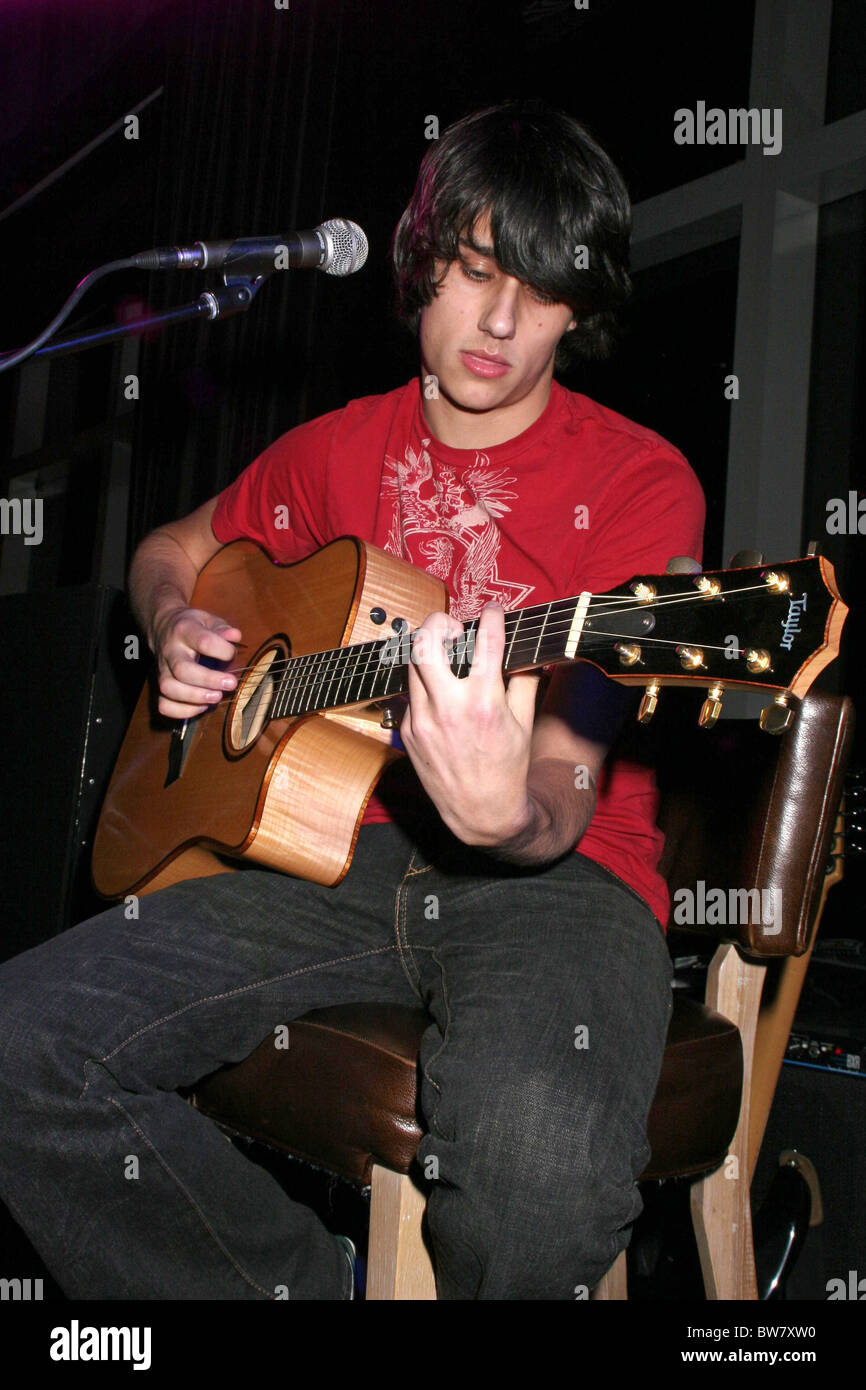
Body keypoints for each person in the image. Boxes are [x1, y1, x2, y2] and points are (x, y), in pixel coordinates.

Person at [0, 100, 704, 1300]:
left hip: (565, 885)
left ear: (576, 309)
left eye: (536, 290)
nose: (495, 321)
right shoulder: (332, 451)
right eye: (474, 270)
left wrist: (507, 817)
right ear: (418, 261)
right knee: (21, 1040)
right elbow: (172, 545)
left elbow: (565, 785)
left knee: (534, 1168)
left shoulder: (639, 484)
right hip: (338, 860)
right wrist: (176, 624)